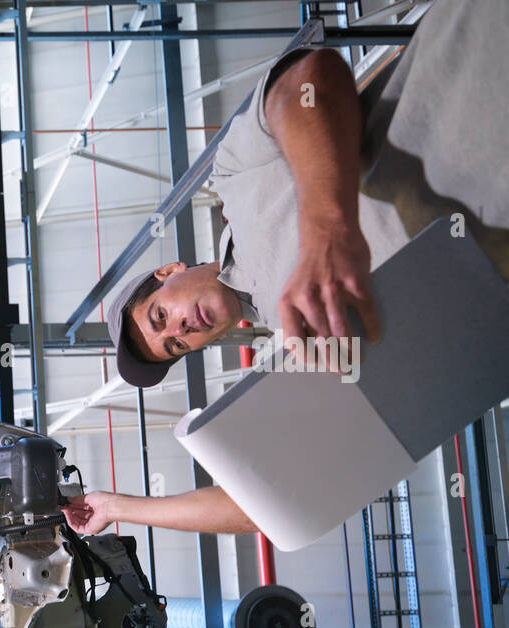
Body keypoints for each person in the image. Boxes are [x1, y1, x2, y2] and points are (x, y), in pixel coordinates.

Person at [63, 0, 509, 539]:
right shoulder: (299, 345)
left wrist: (329, 225)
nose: (180, 330)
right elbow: (263, 505)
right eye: (175, 346)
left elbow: (309, 79)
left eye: (162, 317)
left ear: (169, 272)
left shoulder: (235, 177)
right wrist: (117, 507)